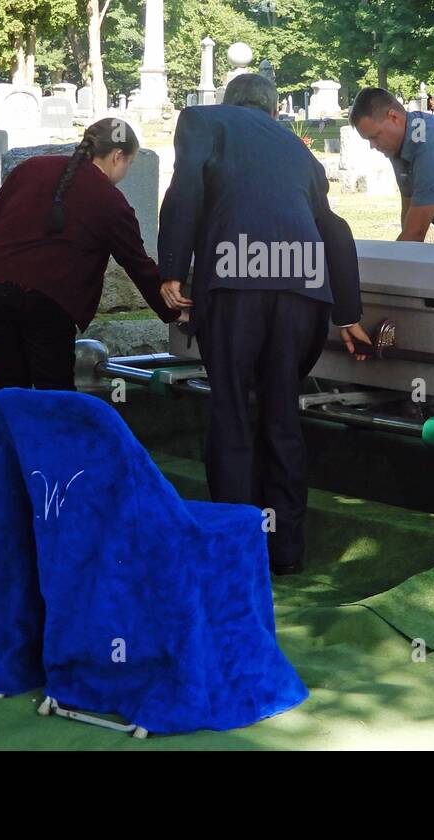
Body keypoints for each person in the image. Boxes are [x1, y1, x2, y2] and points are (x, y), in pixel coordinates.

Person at [158, 73, 368, 576]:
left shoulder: (202, 119)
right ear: (274, 112)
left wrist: (171, 269)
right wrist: (348, 314)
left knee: (230, 411)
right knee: (281, 414)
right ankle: (286, 550)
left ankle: (235, 554)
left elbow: (185, 190)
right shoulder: (300, 152)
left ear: (228, 103)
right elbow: (334, 229)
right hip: (302, 283)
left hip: (236, 277)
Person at [0, 117, 178, 390]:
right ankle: (49, 433)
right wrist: (173, 313)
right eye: (129, 163)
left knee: (8, 383)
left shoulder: (32, 168)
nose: (127, 170)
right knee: (53, 390)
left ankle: (10, 432)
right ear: (117, 156)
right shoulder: (111, 202)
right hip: (46, 298)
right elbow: (137, 264)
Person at [348, 86, 434, 243]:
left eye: (374, 137)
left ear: (393, 117)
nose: (372, 146)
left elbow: (415, 234)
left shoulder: (430, 143)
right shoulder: (398, 143)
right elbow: (408, 205)